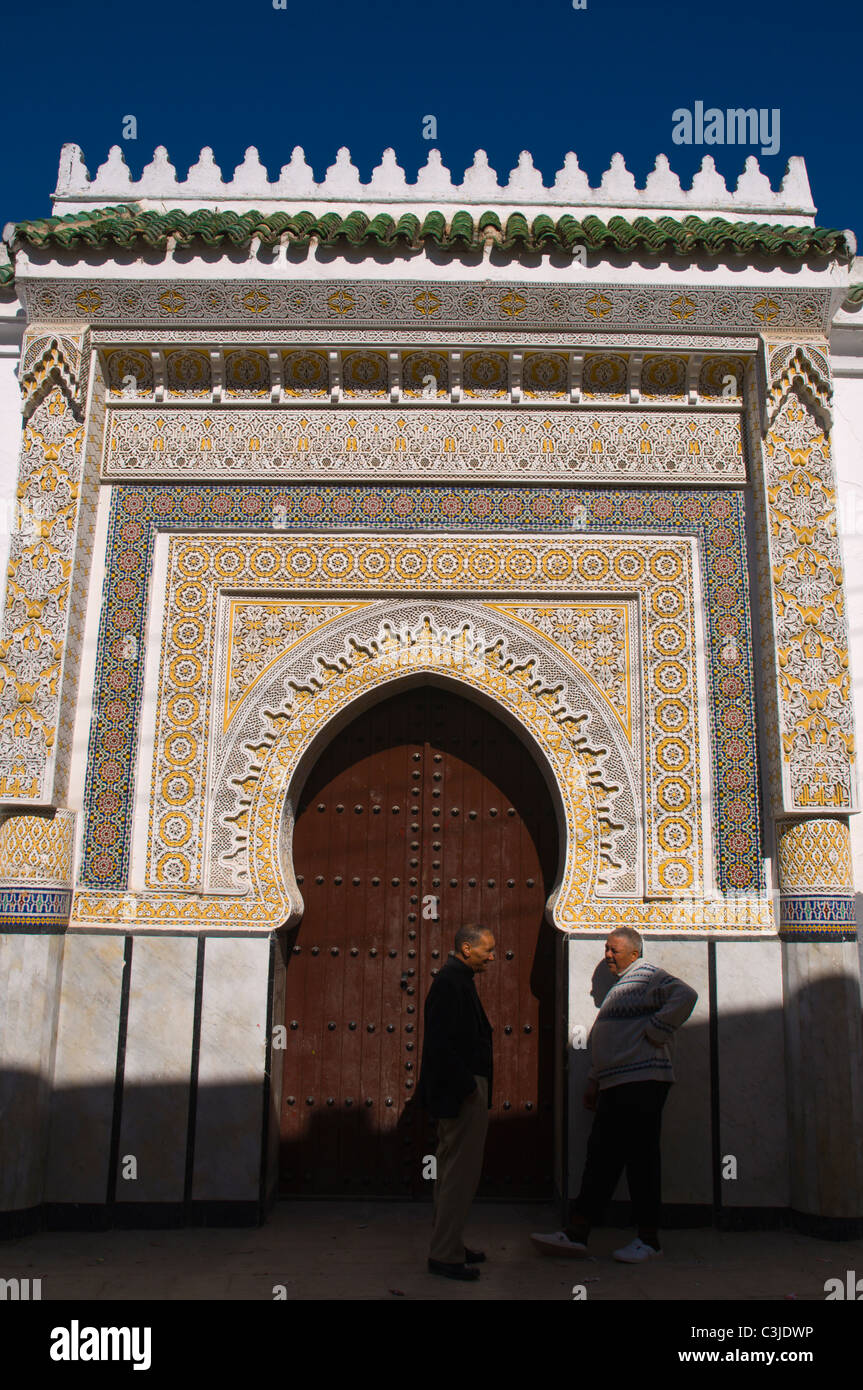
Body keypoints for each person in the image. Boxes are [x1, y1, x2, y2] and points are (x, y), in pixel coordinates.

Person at [532, 927, 697, 1263]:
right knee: (602, 1158)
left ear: (634, 953)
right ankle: (577, 1233)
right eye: (606, 949)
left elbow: (686, 995)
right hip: (617, 1084)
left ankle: (648, 1241)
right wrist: (595, 1078)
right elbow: (611, 1041)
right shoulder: (621, 986)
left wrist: (657, 1031)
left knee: (640, 1158)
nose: (607, 955)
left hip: (643, 1082)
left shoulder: (647, 975)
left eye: (614, 950)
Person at [416, 923, 495, 1281]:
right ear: (466, 949)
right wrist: (468, 1088)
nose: (492, 957)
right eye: (486, 950)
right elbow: (440, 1046)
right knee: (459, 1177)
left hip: (456, 1091)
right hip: (460, 1094)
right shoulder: (451, 983)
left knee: (450, 1173)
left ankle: (450, 1243)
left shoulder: (457, 980)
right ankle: (445, 1255)